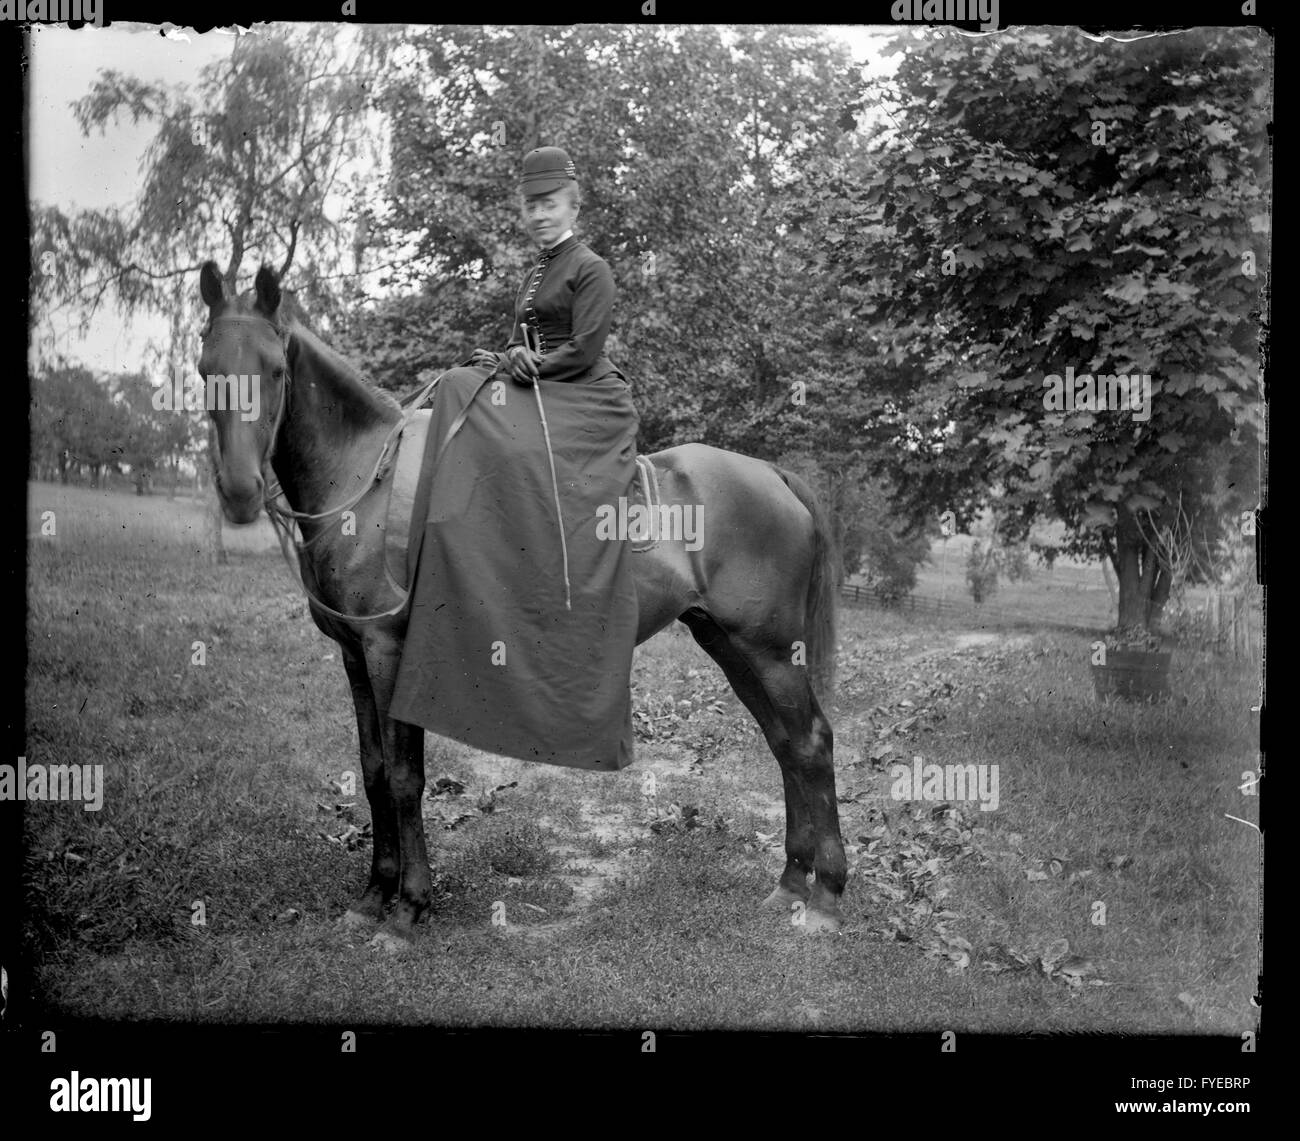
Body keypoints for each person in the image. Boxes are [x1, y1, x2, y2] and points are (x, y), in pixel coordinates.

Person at [390, 147, 642, 773]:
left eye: (549, 205)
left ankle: (509, 523)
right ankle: (453, 529)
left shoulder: (591, 268)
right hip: (540, 384)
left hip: (585, 394)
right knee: (457, 382)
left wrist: (533, 363)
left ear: (573, 206)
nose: (538, 215)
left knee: (473, 401)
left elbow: (584, 349)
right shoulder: (534, 274)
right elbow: (516, 340)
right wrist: (507, 356)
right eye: (530, 206)